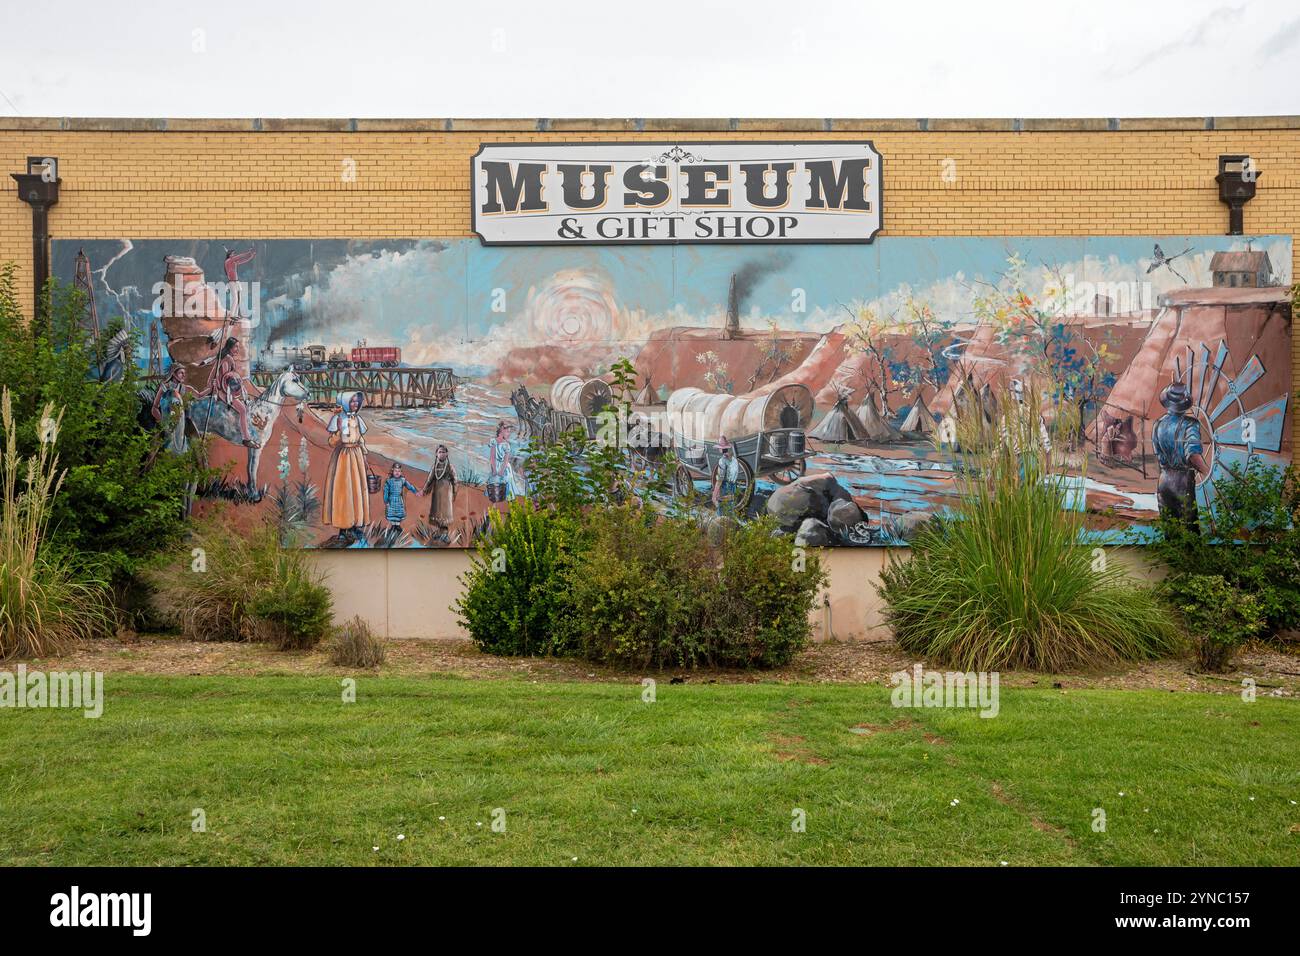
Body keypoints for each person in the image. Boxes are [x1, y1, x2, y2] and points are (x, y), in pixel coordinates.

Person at [1152, 381, 1210, 529]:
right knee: (1189, 530)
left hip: (1163, 481)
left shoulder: (1157, 424)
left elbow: (1157, 452)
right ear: (1184, 403)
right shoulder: (1190, 424)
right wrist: (1208, 472)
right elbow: (1192, 455)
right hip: (1182, 482)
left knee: (1169, 530)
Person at [323, 391, 371, 543]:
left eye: (357, 402)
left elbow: (360, 438)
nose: (355, 404)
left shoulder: (357, 418)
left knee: (357, 489)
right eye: (352, 401)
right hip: (343, 457)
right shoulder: (338, 419)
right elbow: (331, 442)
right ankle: (343, 528)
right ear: (345, 402)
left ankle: (355, 524)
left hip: (356, 455)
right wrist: (338, 431)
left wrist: (364, 455)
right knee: (343, 491)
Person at [196, 335, 257, 447]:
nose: (238, 349)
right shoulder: (227, 359)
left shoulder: (225, 358)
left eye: (238, 347)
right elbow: (225, 380)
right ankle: (246, 439)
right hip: (222, 392)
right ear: (230, 347)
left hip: (224, 390)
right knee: (243, 410)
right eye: (236, 347)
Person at [151, 364, 199, 453]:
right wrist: (163, 422)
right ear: (174, 373)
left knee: (195, 440)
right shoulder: (165, 387)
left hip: (181, 420)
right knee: (155, 447)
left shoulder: (183, 388)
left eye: (184, 373)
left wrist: (211, 387)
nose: (184, 375)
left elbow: (199, 395)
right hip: (166, 421)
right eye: (181, 373)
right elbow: (154, 408)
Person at [421, 444, 458, 531]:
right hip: (437, 491)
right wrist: (424, 490)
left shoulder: (450, 467)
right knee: (436, 510)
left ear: (447, 454)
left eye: (443, 452)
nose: (441, 454)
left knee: (445, 511)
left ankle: (445, 531)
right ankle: (438, 530)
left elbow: (455, 480)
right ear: (436, 454)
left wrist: (454, 492)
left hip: (446, 491)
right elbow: (429, 479)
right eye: (439, 452)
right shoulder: (434, 466)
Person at [486, 421, 522, 502]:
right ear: (501, 430)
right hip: (495, 465)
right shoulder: (493, 441)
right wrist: (494, 469)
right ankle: (495, 499)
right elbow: (492, 457)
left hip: (505, 467)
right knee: (494, 481)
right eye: (507, 431)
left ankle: (509, 500)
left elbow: (506, 460)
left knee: (507, 481)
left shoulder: (506, 444)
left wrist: (501, 471)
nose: (509, 434)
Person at [382, 462, 421, 533]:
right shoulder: (389, 481)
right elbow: (386, 491)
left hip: (399, 500)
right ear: (392, 471)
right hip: (391, 500)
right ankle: (393, 526)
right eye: (395, 471)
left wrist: (416, 491)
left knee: (399, 513)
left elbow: (409, 486)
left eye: (399, 471)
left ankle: (397, 526)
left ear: (401, 472)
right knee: (392, 513)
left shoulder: (403, 480)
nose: (397, 473)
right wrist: (386, 500)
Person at [711, 435, 741, 516]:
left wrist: (714, 494)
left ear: (721, 449)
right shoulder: (734, 460)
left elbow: (720, 479)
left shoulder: (722, 461)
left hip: (724, 488)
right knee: (730, 510)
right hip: (733, 487)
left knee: (721, 513)